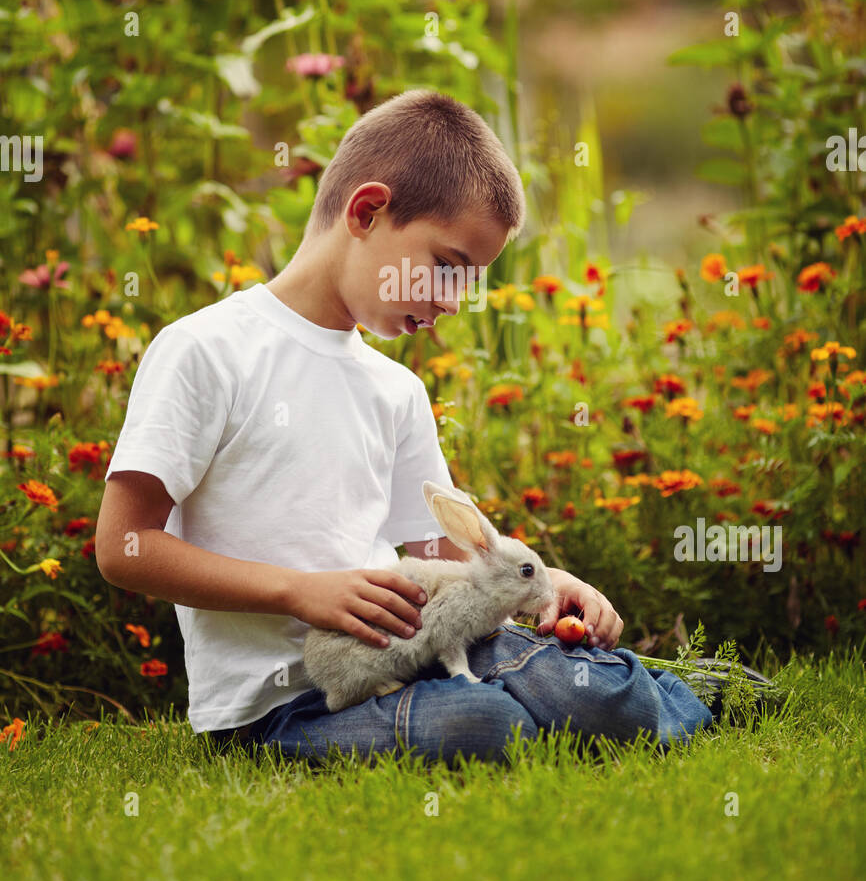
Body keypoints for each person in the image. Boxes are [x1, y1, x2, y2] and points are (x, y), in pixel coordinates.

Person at [94, 87, 761, 769]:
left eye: (469, 281)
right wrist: (301, 591)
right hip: (284, 709)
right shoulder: (207, 350)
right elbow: (123, 547)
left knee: (584, 695)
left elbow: (448, 556)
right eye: (447, 266)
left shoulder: (395, 389)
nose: (453, 302)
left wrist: (545, 581)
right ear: (367, 210)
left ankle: (670, 689)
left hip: (418, 655)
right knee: (480, 725)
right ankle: (635, 695)